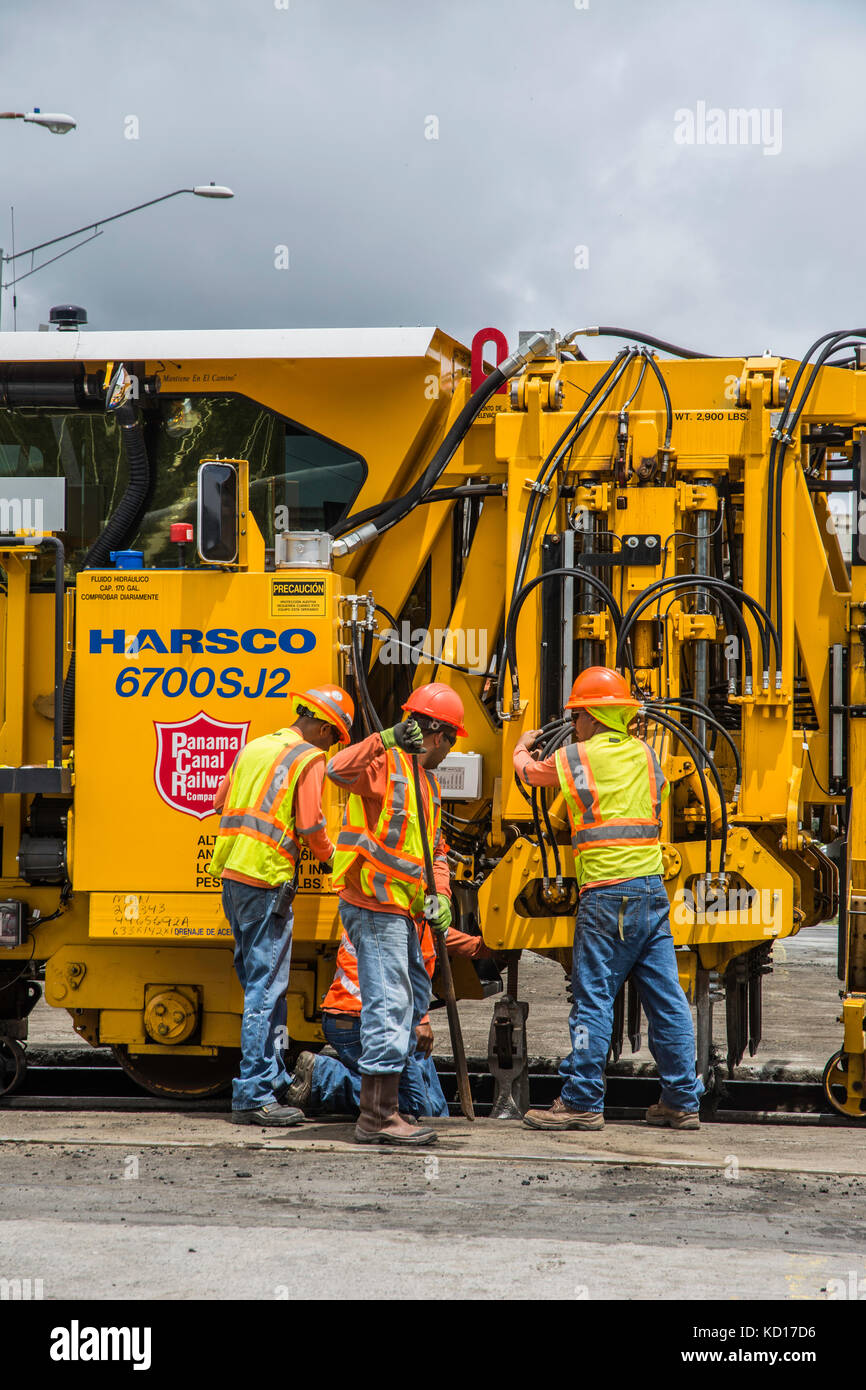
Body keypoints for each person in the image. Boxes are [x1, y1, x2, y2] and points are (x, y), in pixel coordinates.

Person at [513, 666, 703, 1132]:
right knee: (667, 999)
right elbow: (655, 797)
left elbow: (533, 775)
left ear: (594, 718)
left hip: (605, 894)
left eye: (577, 714)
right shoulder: (644, 753)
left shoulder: (578, 756)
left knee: (593, 1000)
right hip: (650, 889)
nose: (574, 722)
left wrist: (521, 745)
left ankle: (581, 1100)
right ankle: (681, 1100)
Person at [325, 681, 467, 1146]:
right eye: (451, 739)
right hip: (373, 904)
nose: (450, 750)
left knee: (406, 1000)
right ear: (435, 733)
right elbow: (336, 769)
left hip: (404, 911)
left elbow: (435, 853)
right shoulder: (384, 766)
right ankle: (378, 1116)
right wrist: (383, 739)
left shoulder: (426, 785)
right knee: (388, 1003)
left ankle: (386, 1107)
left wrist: (440, 897)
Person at [209, 684, 354, 1126]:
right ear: (325, 726)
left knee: (260, 985)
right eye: (335, 737)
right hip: (266, 880)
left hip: (233, 876)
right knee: (265, 989)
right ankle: (253, 1094)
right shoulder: (308, 757)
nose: (332, 746)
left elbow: (219, 802)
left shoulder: (255, 747)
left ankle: (270, 1080)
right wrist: (335, 861)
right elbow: (311, 824)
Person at [285, 918, 489, 1118]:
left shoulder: (399, 914)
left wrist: (480, 947)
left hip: (365, 1018)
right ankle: (326, 1076)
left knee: (433, 1108)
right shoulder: (393, 921)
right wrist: (421, 1020)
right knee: (416, 1107)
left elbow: (438, 932)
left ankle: (437, 1115)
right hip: (359, 1021)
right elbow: (401, 972)